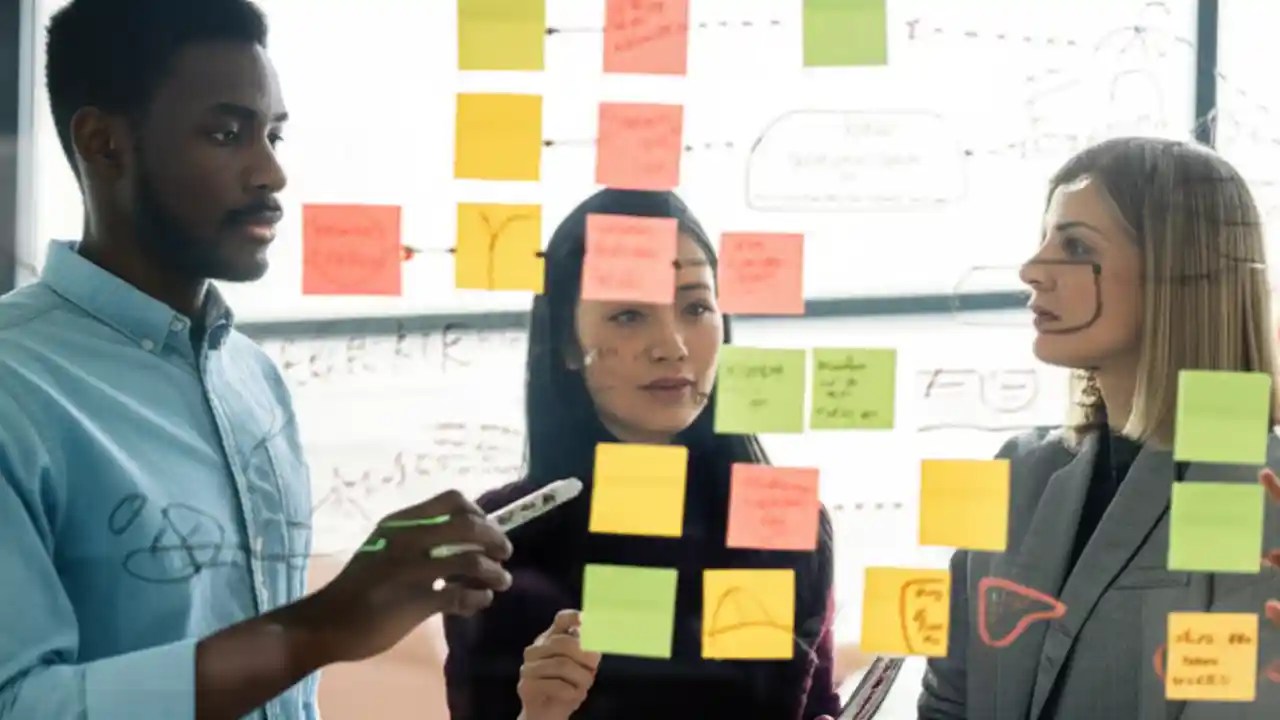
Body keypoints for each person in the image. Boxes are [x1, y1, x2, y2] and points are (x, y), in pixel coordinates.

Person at [0, 2, 512, 718]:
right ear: (105, 143)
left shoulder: (253, 381)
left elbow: (281, 689)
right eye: (226, 133)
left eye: (273, 134)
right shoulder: (14, 386)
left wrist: (339, 617)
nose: (271, 172)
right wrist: (323, 627)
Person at [443, 189, 842, 720]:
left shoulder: (784, 519)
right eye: (630, 315)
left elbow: (820, 706)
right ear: (565, 343)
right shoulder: (501, 541)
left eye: (696, 306)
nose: (672, 344)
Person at [918, 137, 1280, 719]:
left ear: (1179, 274)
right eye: (1043, 241)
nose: (1033, 270)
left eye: (1076, 245)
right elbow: (948, 700)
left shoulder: (1258, 489)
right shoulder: (1017, 472)